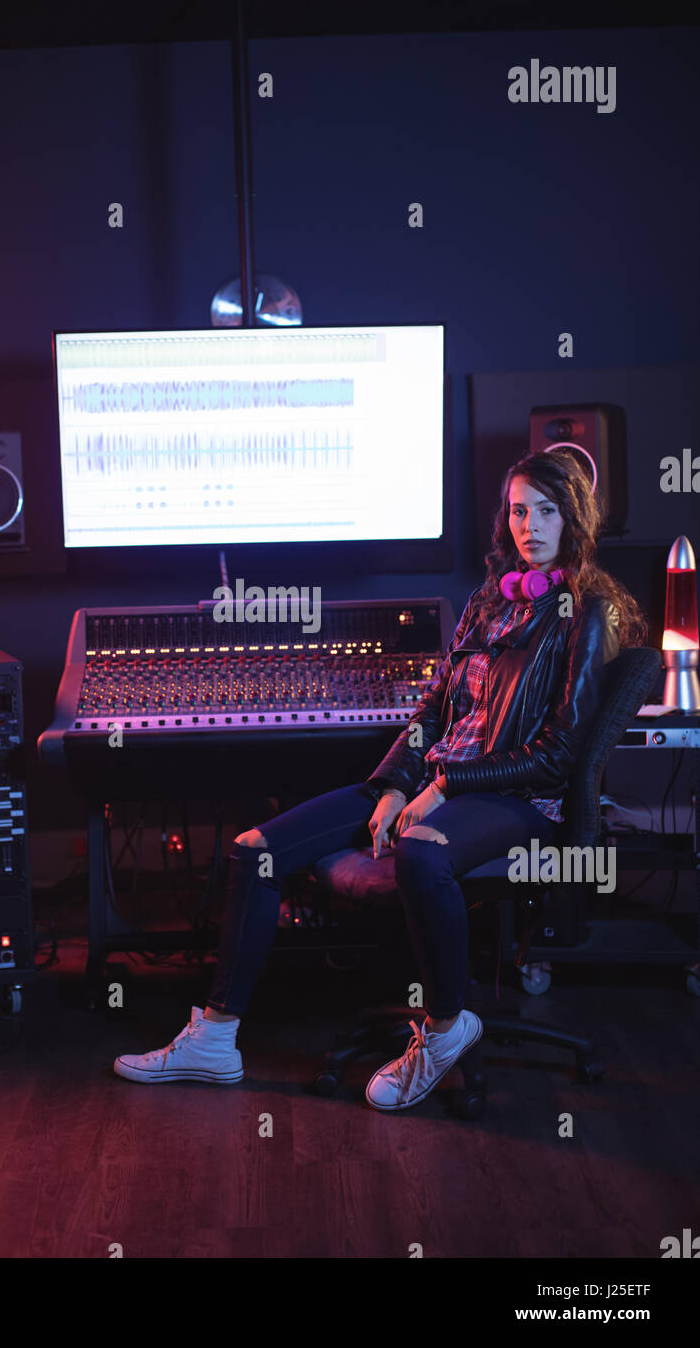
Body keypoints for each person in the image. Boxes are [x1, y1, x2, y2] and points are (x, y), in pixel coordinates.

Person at [114, 449, 647, 1110]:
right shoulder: (491, 604)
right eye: (518, 510)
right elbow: (431, 712)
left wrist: (443, 789)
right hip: (437, 781)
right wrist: (396, 784)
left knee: (423, 847)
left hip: (516, 797)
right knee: (255, 852)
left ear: (573, 517)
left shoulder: (587, 612)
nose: (529, 526)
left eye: (545, 511)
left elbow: (558, 756)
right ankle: (214, 1040)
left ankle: (447, 1031)